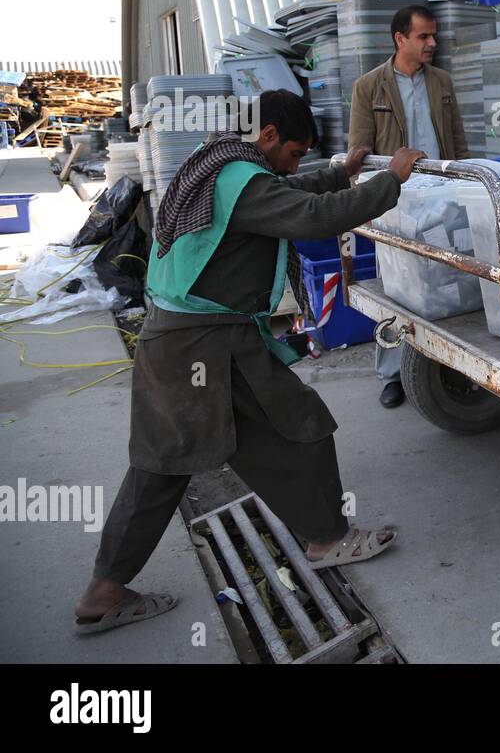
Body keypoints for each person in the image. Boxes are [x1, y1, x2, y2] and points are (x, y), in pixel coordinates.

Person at [73, 90, 426, 635]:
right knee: (301, 427)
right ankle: (328, 538)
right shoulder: (240, 179)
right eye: (293, 151)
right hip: (208, 343)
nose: (293, 163)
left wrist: (338, 171)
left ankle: (104, 589)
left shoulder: (216, 162)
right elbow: (310, 216)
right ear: (267, 137)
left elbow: (284, 191)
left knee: (163, 465)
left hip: (176, 338)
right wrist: (391, 179)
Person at [347, 4, 469, 408]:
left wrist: (469, 187)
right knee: (398, 289)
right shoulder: (369, 87)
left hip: (442, 198)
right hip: (397, 201)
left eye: (433, 36)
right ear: (400, 39)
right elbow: (359, 155)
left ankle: (447, 367)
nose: (433, 43)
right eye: (424, 37)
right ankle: (393, 374)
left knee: (448, 280)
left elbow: (458, 142)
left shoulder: (442, 82)